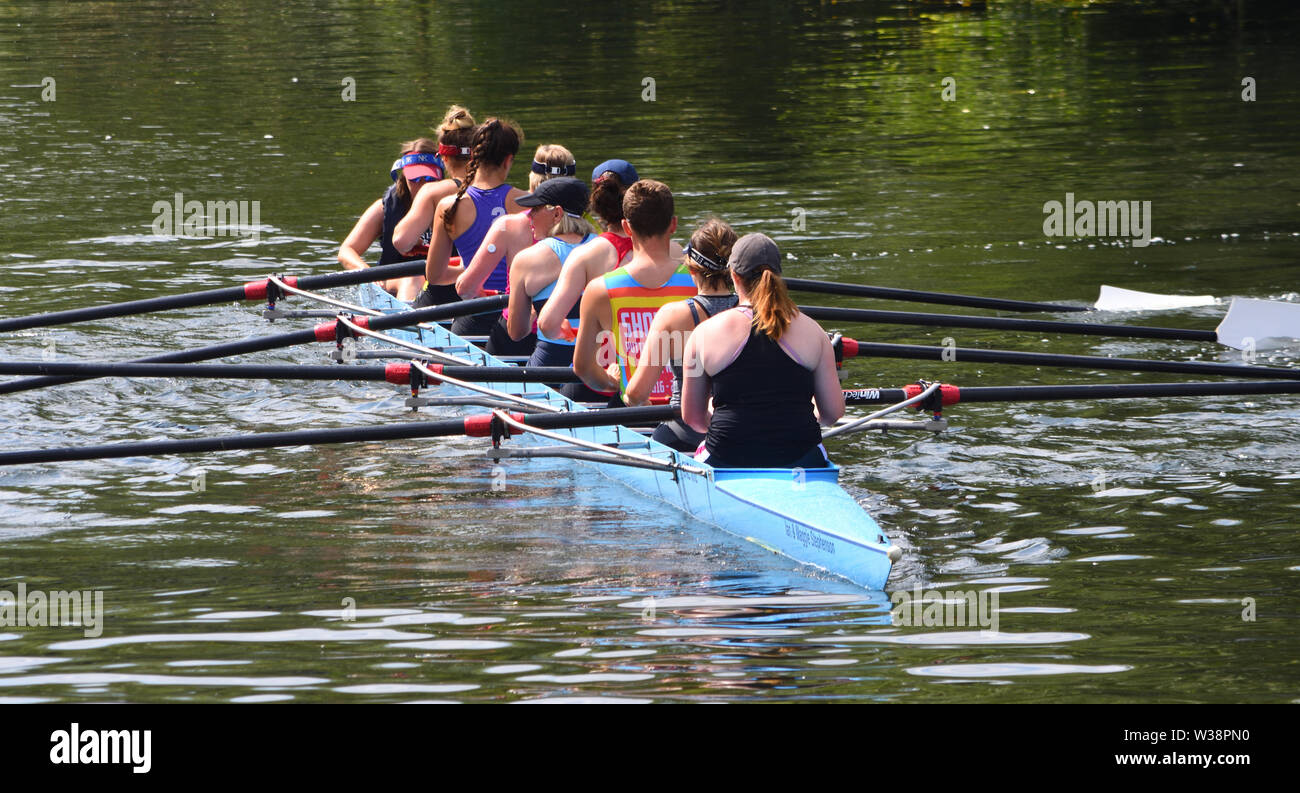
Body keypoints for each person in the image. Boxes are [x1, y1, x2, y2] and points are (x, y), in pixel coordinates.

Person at [681, 233, 845, 469]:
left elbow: (693, 418)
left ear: (734, 277)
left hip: (726, 457)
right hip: (802, 458)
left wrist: (728, 426)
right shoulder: (814, 332)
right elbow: (832, 412)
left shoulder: (703, 333)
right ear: (777, 276)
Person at [572, 180, 696, 405]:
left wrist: (614, 383)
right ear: (673, 225)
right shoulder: (697, 282)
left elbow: (583, 367)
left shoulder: (600, 290)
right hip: (689, 412)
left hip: (635, 412)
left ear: (627, 228)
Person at [623, 218, 739, 452]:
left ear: (691, 269)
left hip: (684, 434)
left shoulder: (672, 315)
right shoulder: (757, 312)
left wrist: (626, 395)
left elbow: (637, 394)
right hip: (739, 431)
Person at [456, 144, 578, 356]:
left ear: (532, 181)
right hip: (570, 337)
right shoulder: (591, 234)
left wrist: (494, 295)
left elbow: (466, 289)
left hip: (517, 335)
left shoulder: (509, 227)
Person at [416, 118, 527, 341]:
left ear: (474, 156)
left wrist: (471, 270)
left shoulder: (449, 206)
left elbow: (435, 275)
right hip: (518, 321)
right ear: (508, 160)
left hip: (472, 323)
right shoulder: (529, 203)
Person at [535, 159, 640, 344]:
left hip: (608, 364)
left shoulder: (585, 255)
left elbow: (548, 324)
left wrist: (572, 332)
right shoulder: (669, 251)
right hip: (657, 359)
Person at [337, 137, 444, 301]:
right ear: (403, 176)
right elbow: (346, 251)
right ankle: (408, 323)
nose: (423, 185)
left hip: (441, 279)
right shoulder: (384, 208)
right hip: (395, 281)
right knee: (413, 278)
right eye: (415, 179)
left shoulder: (456, 204)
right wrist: (367, 272)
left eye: (429, 179)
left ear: (441, 176)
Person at [389, 105, 477, 301]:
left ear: (443, 158)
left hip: (447, 293)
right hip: (492, 296)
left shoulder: (433, 192)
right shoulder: (508, 194)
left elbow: (401, 242)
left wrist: (417, 244)